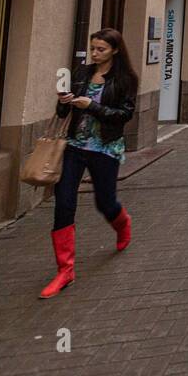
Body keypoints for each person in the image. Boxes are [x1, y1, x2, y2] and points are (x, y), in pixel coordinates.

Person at [40, 28, 138, 299]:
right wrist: (64, 102)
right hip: (74, 146)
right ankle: (65, 270)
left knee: (104, 203)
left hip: (105, 147)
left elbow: (124, 115)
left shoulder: (125, 79)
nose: (95, 54)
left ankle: (122, 223)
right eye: (93, 48)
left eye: (101, 49)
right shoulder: (81, 74)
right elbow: (63, 112)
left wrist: (91, 106)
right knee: (64, 202)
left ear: (115, 50)